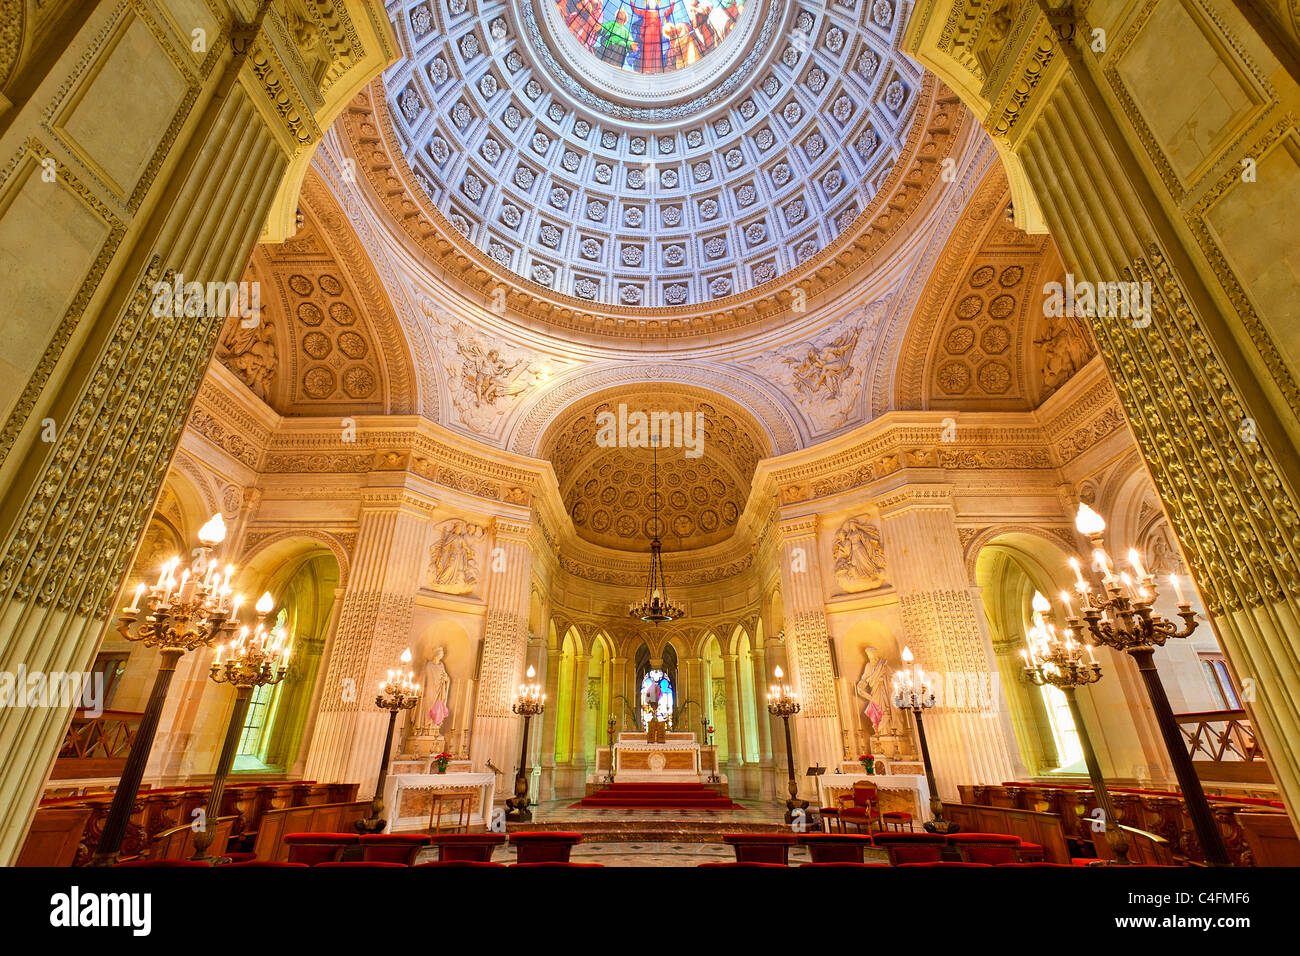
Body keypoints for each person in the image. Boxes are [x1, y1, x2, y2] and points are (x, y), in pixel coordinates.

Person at [629, 1, 672, 73]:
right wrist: (632, 3)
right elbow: (636, 11)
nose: (652, 3)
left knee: (657, 51)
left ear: (656, 4)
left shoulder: (660, 12)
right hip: (648, 33)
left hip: (657, 33)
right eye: (650, 2)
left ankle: (657, 69)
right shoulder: (645, 12)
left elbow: (668, 12)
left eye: (653, 2)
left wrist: (672, 3)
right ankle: (647, 69)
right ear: (648, 4)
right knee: (647, 51)